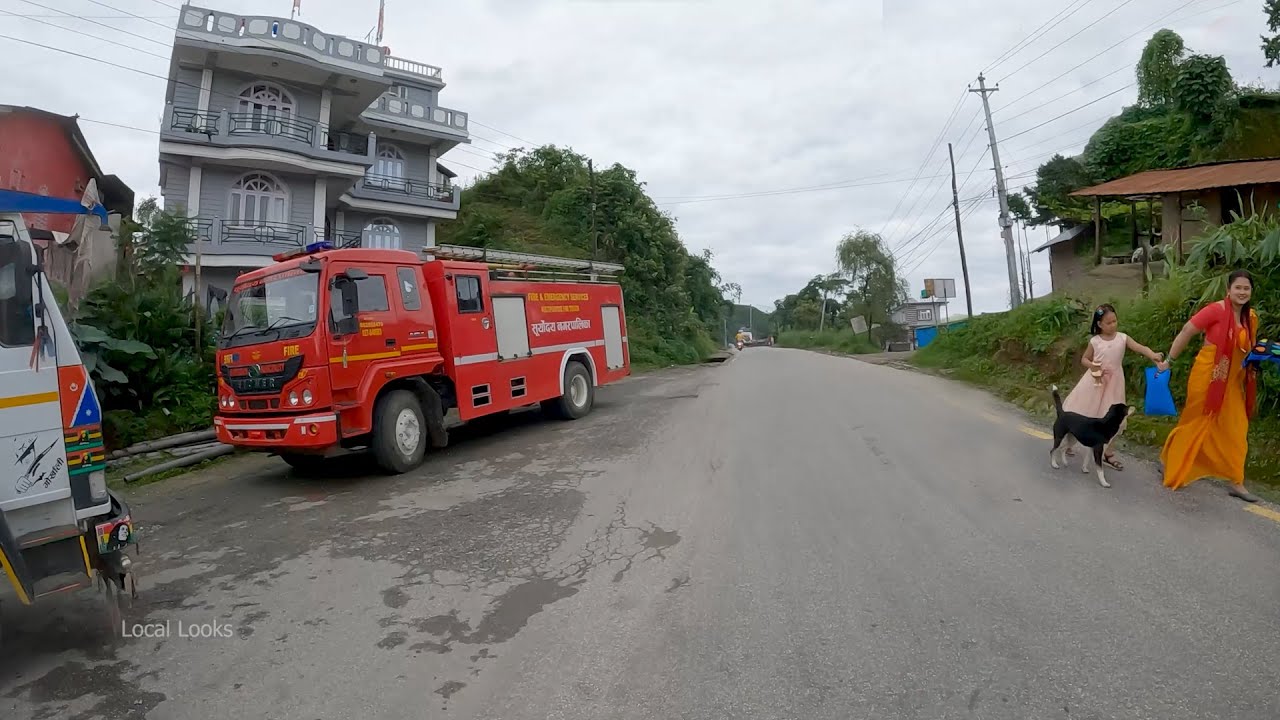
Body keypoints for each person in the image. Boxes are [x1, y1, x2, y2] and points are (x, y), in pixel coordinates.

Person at [1159, 270, 1260, 502]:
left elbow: (1248, 350)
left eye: (1246, 288)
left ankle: (1237, 481)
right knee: (1195, 423)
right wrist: (1169, 361)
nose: (1242, 292)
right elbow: (1187, 331)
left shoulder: (1250, 318)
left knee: (1237, 428)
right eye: (1238, 288)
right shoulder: (1216, 310)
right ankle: (1170, 460)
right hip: (1208, 378)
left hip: (1232, 383)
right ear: (1229, 289)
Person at [1061, 303, 1166, 470]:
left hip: (1115, 383)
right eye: (1108, 323)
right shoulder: (1094, 341)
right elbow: (1085, 359)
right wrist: (1094, 366)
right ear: (1099, 324)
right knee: (1083, 411)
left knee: (1116, 419)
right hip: (1095, 382)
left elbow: (1139, 347)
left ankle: (1108, 453)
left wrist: (1153, 355)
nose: (1113, 325)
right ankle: (1070, 442)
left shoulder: (1122, 338)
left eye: (1115, 321)